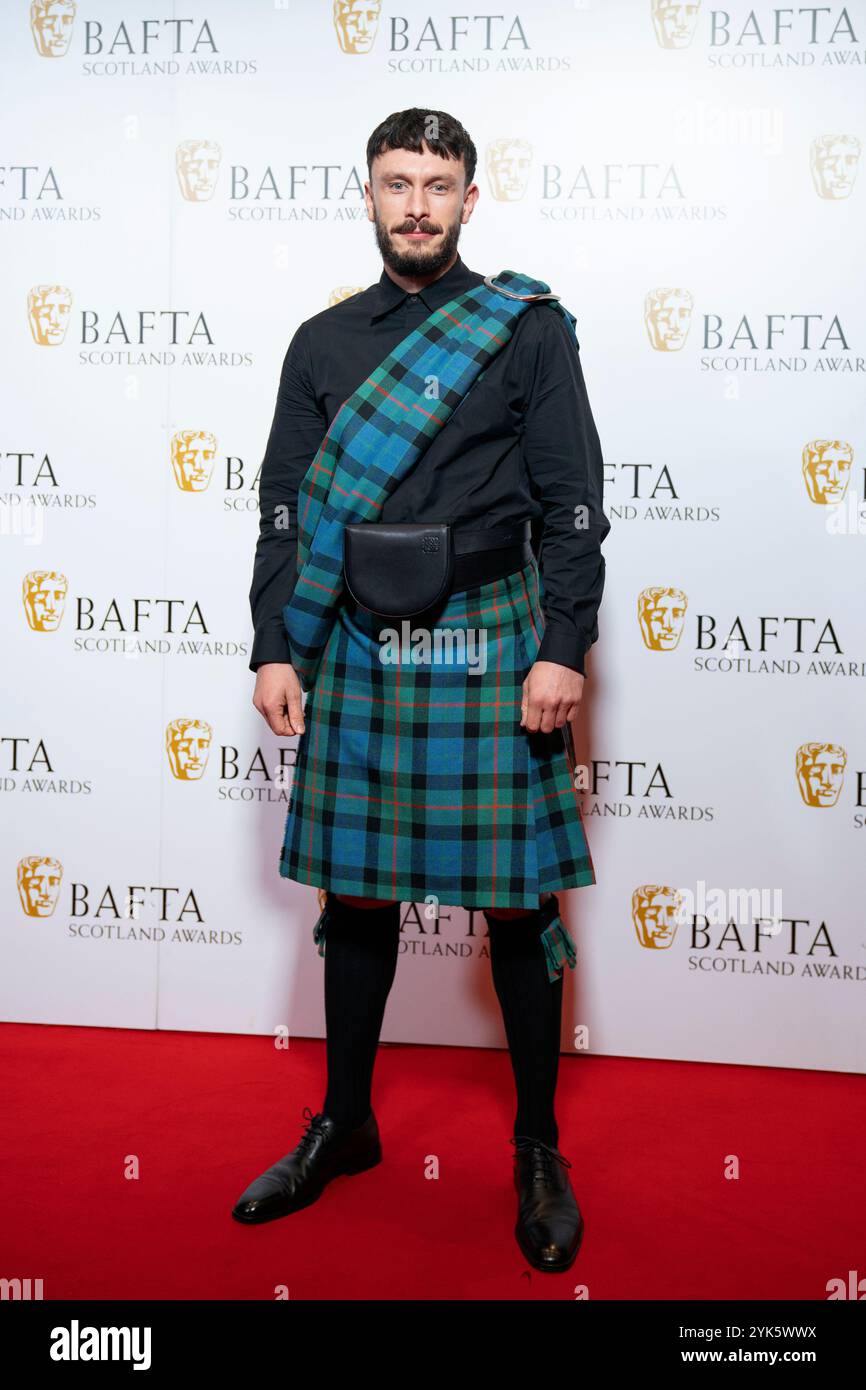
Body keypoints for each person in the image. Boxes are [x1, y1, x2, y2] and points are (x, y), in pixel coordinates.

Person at [233, 108, 610, 1274]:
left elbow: (572, 500)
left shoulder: (524, 331)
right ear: (365, 194)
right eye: (396, 183)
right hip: (353, 639)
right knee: (354, 900)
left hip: (492, 639)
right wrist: (271, 643)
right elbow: (287, 505)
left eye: (436, 185)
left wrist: (563, 644)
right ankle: (347, 1122)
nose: (415, 203)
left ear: (466, 200)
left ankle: (537, 1146)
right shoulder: (322, 341)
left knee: (515, 910)